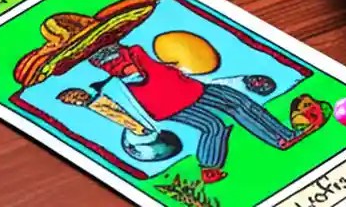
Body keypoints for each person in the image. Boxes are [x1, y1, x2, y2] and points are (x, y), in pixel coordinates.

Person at [87, 42, 322, 184]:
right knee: (213, 126)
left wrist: (168, 69)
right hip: (172, 104)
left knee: (239, 103)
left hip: (191, 89)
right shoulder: (126, 63)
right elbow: (133, 72)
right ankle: (209, 168)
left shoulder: (133, 53)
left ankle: (282, 136)